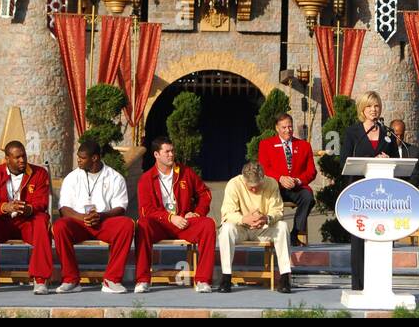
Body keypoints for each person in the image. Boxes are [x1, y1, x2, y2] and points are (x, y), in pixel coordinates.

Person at [134, 137, 217, 293]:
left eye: (172, 151)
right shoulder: (146, 178)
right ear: (156, 155)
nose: (171, 155)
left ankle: (203, 280)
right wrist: (170, 217)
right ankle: (142, 280)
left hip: (184, 222)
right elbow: (146, 210)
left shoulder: (185, 172)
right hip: (160, 224)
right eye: (167, 152)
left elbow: (204, 194)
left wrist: (197, 213)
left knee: (208, 224)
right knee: (143, 224)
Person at [53, 139, 135, 294]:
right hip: (79, 222)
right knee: (60, 226)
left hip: (104, 222)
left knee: (126, 225)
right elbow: (64, 208)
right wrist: (82, 217)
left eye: (82, 158)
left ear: (95, 158)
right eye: (78, 157)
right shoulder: (72, 177)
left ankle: (112, 280)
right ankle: (71, 280)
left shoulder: (114, 177)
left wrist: (101, 216)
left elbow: (120, 207)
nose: (78, 160)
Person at [0, 140, 53, 294]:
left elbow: (41, 202)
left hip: (28, 221)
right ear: (7, 159)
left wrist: (28, 208)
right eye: (17, 157)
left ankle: (40, 279)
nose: (22, 160)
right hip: (3, 222)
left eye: (24, 156)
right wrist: (4, 207)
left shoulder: (39, 173)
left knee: (42, 220)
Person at [341, 91, 403, 292]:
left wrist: (388, 159)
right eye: (369, 106)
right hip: (360, 193)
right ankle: (359, 286)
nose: (373, 110)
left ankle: (381, 285)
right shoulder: (352, 133)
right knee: (360, 238)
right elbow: (344, 162)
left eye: (376, 106)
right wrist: (370, 160)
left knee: (382, 234)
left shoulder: (388, 134)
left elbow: (398, 163)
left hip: (383, 197)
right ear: (362, 109)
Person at [216, 160, 293, 293]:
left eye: (257, 185)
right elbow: (227, 213)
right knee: (226, 229)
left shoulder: (271, 183)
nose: (253, 189)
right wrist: (244, 219)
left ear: (263, 179)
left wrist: (266, 218)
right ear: (243, 179)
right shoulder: (233, 184)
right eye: (250, 186)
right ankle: (226, 277)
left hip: (263, 228)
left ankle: (285, 277)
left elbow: (277, 211)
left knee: (283, 226)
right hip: (241, 228)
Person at [256, 113, 316, 243]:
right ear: (277, 128)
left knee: (308, 197)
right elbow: (263, 168)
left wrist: (297, 180)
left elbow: (311, 171)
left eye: (290, 127)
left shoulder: (304, 146)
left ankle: (295, 233)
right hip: (274, 188)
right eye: (284, 127)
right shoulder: (266, 144)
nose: (287, 130)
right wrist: (280, 178)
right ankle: (271, 235)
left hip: (296, 188)